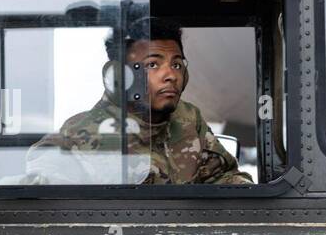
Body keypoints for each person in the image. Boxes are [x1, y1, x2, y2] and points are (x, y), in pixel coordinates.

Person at [26, 19, 252, 185]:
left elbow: (222, 177)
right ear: (119, 77)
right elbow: (45, 178)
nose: (171, 75)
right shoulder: (78, 133)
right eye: (153, 65)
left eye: (176, 64)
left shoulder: (188, 119)